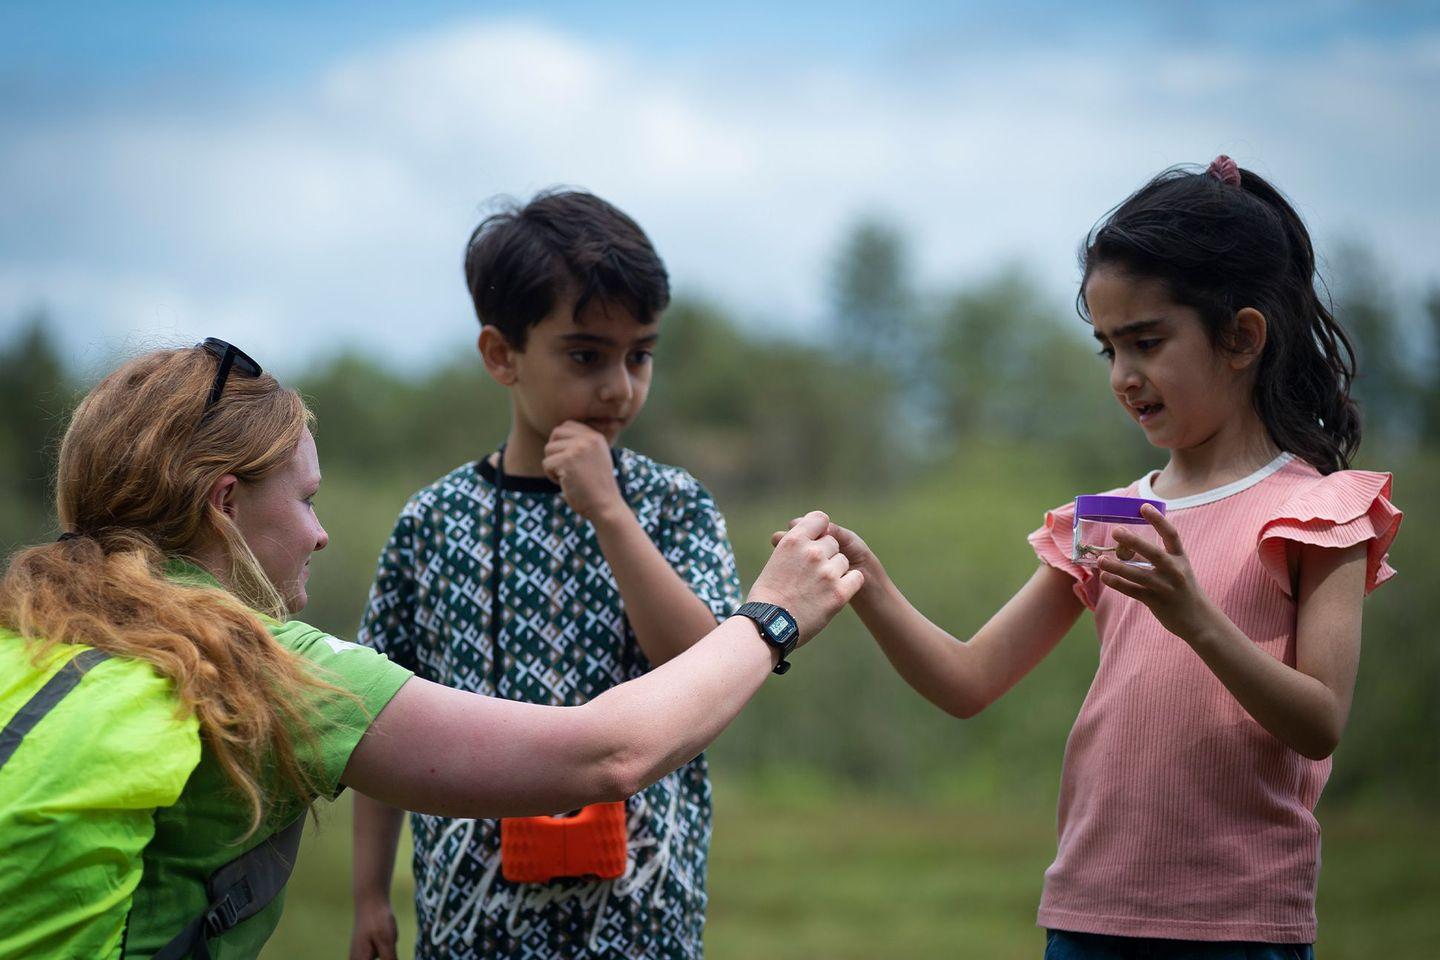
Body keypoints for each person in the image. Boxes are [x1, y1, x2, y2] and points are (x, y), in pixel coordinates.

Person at [0, 340, 860, 960]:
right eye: (304, 500)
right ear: (224, 504)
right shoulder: (253, 670)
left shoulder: (26, 633)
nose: (321, 533)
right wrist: (770, 616)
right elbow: (608, 752)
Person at [804, 157, 1402, 959]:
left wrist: (1196, 620)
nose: (1124, 377)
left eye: (1146, 342)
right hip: (1090, 914)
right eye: (1106, 349)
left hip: (1238, 924)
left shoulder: (1320, 512)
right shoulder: (1109, 520)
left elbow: (1319, 723)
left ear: (1242, 337)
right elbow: (966, 680)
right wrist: (868, 584)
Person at [350, 189, 743, 960]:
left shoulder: (671, 506)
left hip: (642, 923)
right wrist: (369, 895)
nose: (619, 387)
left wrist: (610, 514)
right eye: (586, 355)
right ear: (502, 355)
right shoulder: (435, 521)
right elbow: (378, 715)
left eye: (640, 355)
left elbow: (706, 669)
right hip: (472, 925)